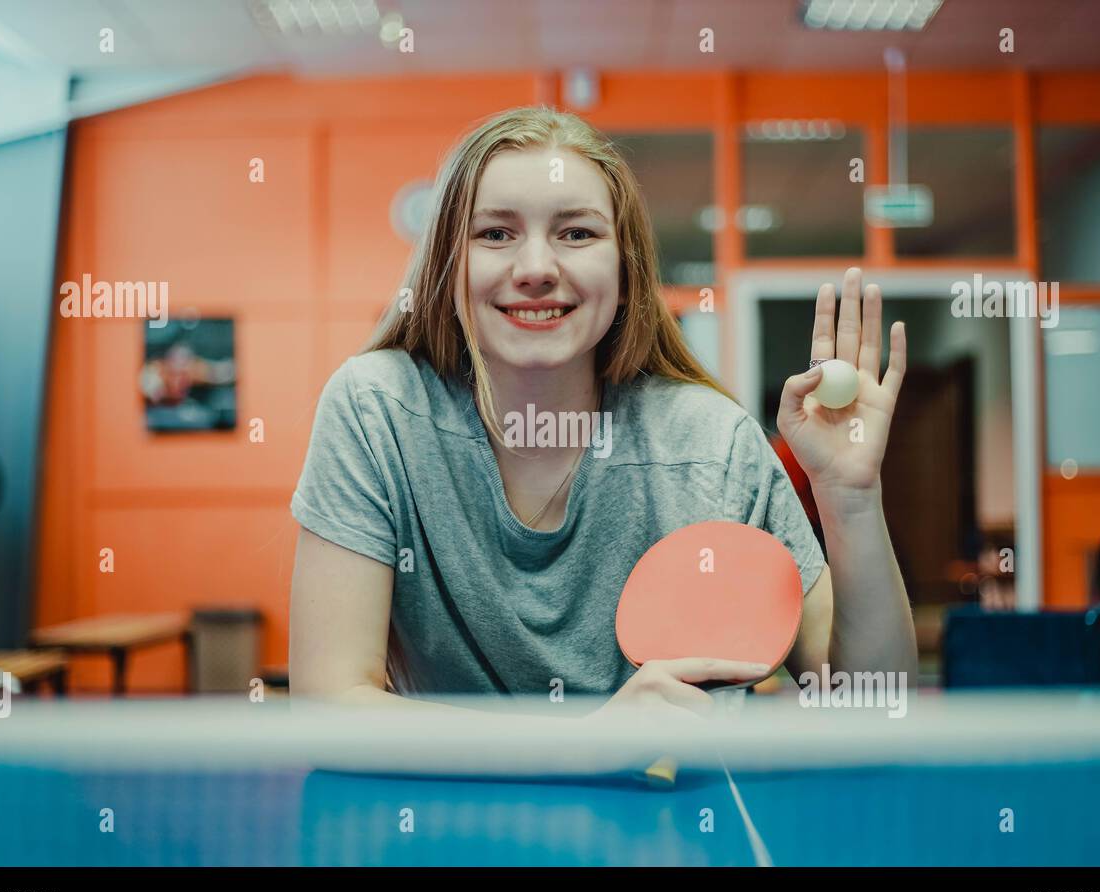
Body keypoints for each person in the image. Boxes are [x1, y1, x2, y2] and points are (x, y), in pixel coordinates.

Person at [289, 106, 916, 723]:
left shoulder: (710, 442)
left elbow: (870, 703)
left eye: (577, 233)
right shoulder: (377, 412)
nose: (535, 269)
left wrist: (849, 497)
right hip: (444, 815)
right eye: (495, 233)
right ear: (448, 263)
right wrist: (588, 748)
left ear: (626, 268)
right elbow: (329, 703)